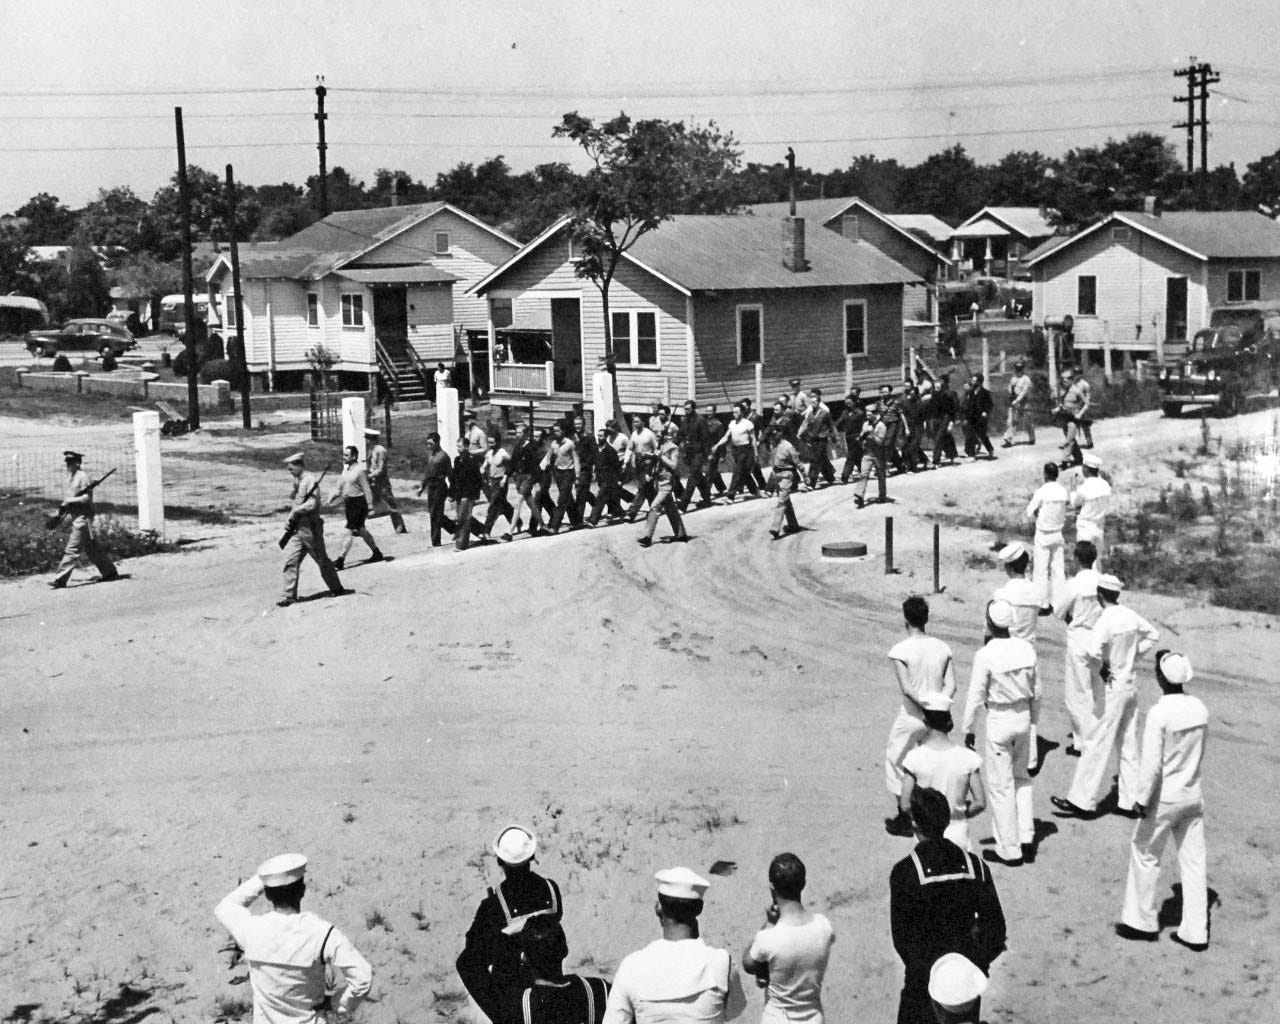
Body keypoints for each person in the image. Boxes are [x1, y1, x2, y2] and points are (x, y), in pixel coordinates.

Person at [889, 788, 1006, 1024]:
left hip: (921, 985)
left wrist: (932, 974)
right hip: (962, 990)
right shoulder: (976, 867)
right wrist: (972, 966)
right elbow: (996, 931)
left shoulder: (905, 872)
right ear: (946, 820)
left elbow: (903, 941)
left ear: (914, 823)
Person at [1117, 651, 1210, 950]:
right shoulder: (1199, 709)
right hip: (1192, 793)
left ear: (1160, 678)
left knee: (1144, 853)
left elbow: (1151, 764)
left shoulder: (1160, 713)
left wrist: (1141, 799)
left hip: (1165, 797)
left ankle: (1140, 921)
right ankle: (1196, 932)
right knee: (1194, 862)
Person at [214, 853, 372, 1024]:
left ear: (267, 894)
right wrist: (336, 1003)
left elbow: (225, 907)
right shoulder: (321, 932)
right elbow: (362, 977)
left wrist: (265, 877)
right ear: (302, 891)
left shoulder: (252, 930)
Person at [1053, 575, 1159, 819]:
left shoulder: (1106, 621)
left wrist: (1102, 665)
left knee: (1095, 741)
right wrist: (1133, 656)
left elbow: (1091, 653)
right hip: (1130, 684)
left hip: (1112, 687)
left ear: (1100, 595)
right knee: (1128, 743)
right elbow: (1153, 635)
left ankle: (1082, 800)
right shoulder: (1130, 615)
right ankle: (1129, 800)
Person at [602, 867, 745, 1024]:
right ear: (699, 908)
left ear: (659, 908)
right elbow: (734, 1010)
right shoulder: (722, 963)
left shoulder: (632, 966)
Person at [458, 825, 565, 1023]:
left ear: (500, 861)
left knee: (466, 963)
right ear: (531, 857)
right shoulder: (552, 890)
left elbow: (472, 953)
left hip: (514, 996)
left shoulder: (492, 906)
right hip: (550, 984)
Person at [962, 599, 1040, 867]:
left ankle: (1009, 848)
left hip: (999, 719)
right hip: (1023, 716)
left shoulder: (986, 654)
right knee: (1022, 778)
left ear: (990, 622)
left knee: (1000, 786)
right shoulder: (1027, 649)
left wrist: (968, 728)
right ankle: (1026, 834)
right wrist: (1033, 722)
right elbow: (1037, 692)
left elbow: (975, 695)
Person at [884, 596, 957, 837]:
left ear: (906, 620)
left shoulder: (900, 650)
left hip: (912, 716)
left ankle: (905, 816)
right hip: (938, 718)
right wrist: (938, 707)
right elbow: (951, 686)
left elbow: (907, 688)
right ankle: (935, 816)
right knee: (932, 763)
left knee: (896, 762)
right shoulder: (942, 648)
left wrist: (925, 707)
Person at [740, 854, 835, 1024]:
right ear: (803, 884)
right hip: (813, 1018)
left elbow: (748, 963)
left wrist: (768, 924)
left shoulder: (768, 938)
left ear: (772, 888)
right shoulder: (824, 926)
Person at [465, 916, 611, 1024]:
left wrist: (510, 932)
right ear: (565, 950)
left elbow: (467, 963)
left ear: (524, 958)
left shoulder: (513, 1007)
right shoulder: (600, 991)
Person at [899, 693, 986, 852]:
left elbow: (905, 804)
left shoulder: (914, 758)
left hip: (926, 836)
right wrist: (960, 813)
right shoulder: (968, 758)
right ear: (949, 721)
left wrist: (921, 820)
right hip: (958, 834)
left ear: (925, 721)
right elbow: (980, 803)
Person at [1053, 540, 1104, 756]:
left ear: (1076, 559)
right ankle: (1096, 736)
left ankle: (1082, 742)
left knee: (1077, 693)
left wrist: (1070, 618)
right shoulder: (1102, 581)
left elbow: (1058, 610)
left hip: (1079, 638)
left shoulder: (1074, 584)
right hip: (1100, 637)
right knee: (1096, 689)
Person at [278, 453, 345, 607]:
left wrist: (296, 512)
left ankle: (336, 588)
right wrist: (291, 517)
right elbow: (296, 502)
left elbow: (312, 504)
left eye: (292, 468)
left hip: (311, 527)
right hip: (298, 528)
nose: (290, 471)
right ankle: (289, 596)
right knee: (291, 561)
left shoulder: (310, 480)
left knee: (321, 559)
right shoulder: (298, 481)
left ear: (299, 465)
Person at [48, 450, 118, 589]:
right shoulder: (73, 477)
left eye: (71, 462)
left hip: (83, 518)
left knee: (72, 549)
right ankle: (110, 572)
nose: (69, 464)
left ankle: (60, 579)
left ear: (78, 463)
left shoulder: (83, 477)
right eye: (67, 462)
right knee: (92, 549)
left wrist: (68, 501)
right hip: (75, 516)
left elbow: (86, 498)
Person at [329, 445, 385, 571]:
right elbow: (340, 485)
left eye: (346, 455)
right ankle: (377, 553)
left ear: (354, 456)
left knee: (350, 529)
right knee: (361, 530)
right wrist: (332, 497)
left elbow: (366, 489)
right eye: (343, 455)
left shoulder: (359, 471)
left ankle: (340, 560)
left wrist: (370, 507)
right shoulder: (346, 470)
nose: (344, 457)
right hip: (349, 503)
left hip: (359, 504)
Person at [1025, 462, 1068, 612]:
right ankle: (1059, 603)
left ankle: (1042, 603)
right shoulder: (1063, 491)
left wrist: (1037, 513)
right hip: (1058, 532)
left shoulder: (1042, 491)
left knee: (1041, 570)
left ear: (1045, 474)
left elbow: (1029, 510)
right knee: (1058, 569)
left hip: (1043, 534)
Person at [638, 426, 689, 548]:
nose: (657, 437)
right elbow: (654, 462)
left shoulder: (673, 448)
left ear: (666, 435)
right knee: (670, 508)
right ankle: (681, 534)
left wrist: (661, 456)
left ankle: (647, 537)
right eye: (655, 434)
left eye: (659, 435)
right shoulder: (657, 447)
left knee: (655, 506)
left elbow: (674, 466)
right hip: (658, 482)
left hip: (667, 482)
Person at [713, 404, 760, 502]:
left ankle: (730, 496)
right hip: (736, 450)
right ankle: (754, 490)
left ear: (742, 413)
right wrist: (717, 445)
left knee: (737, 471)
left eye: (737, 412)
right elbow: (726, 436)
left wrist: (755, 452)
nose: (734, 414)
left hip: (746, 450)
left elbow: (753, 438)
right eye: (733, 412)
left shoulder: (748, 423)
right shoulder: (732, 424)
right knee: (744, 472)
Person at [364, 427, 406, 533]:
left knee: (390, 504)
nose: (366, 441)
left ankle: (400, 527)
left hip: (382, 483)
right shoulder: (372, 449)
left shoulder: (380, 450)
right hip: (373, 482)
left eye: (368, 438)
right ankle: (358, 527)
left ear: (372, 439)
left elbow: (381, 469)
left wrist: (370, 475)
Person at [1071, 453, 1112, 564]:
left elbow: (1074, 503)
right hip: (1099, 527)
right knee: (1097, 562)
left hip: (1086, 528)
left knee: (1084, 563)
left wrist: (1073, 489)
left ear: (1086, 470)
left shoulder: (1084, 487)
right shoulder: (1105, 485)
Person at [508, 423, 546, 540]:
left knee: (518, 502)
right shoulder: (517, 446)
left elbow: (535, 466)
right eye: (516, 433)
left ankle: (510, 531)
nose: (517, 435)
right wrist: (507, 476)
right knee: (531, 503)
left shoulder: (531, 447)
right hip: (519, 478)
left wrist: (537, 481)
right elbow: (513, 462)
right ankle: (543, 525)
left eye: (520, 433)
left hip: (528, 478)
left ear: (525, 434)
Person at [416, 433, 455, 547]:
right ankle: (454, 528)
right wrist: (422, 487)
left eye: (431, 444)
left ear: (437, 442)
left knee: (435, 514)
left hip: (440, 486)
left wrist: (452, 492)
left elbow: (450, 475)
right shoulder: (431, 456)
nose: (428, 446)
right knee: (434, 514)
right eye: (427, 444)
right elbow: (427, 474)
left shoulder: (444, 456)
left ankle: (436, 542)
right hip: (431, 487)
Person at [767, 423, 804, 540]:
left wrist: (805, 477)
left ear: (780, 434)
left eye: (774, 434)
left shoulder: (788, 447)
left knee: (781, 502)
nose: (772, 437)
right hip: (776, 475)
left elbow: (797, 462)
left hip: (787, 476)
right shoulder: (773, 445)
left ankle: (775, 528)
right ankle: (794, 525)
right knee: (786, 502)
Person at [545, 422, 583, 533]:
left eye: (557, 431)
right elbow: (549, 456)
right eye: (554, 431)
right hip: (558, 473)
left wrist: (577, 475)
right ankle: (577, 521)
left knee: (562, 499)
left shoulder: (570, 444)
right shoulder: (554, 444)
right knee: (568, 498)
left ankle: (554, 526)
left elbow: (576, 459)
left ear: (563, 431)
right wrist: (547, 465)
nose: (555, 433)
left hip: (568, 473)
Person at [677, 401, 715, 512]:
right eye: (685, 409)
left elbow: (706, 439)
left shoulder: (700, 421)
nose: (686, 411)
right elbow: (680, 435)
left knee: (693, 476)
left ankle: (683, 504)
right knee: (698, 477)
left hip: (699, 454)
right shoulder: (685, 421)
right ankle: (707, 500)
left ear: (693, 409)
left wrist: (709, 454)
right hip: (689, 454)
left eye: (688, 409)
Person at [451, 437, 487, 551]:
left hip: (468, 493)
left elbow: (476, 479)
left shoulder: (472, 460)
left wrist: (473, 495)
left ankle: (461, 544)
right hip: (459, 493)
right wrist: (452, 493)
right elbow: (455, 478)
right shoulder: (457, 460)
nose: (458, 449)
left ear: (466, 446)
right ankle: (482, 530)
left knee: (463, 518)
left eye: (460, 446)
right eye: (457, 446)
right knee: (462, 517)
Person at [589, 424, 627, 526]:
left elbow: (616, 467)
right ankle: (621, 512)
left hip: (609, 477)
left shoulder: (611, 451)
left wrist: (618, 479)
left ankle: (593, 520)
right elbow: (594, 461)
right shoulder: (596, 449)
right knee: (610, 497)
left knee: (600, 497)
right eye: (598, 435)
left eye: (601, 436)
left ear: (606, 437)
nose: (599, 438)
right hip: (600, 477)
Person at [799, 389, 836, 488]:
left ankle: (811, 483)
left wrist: (834, 438)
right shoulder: (810, 414)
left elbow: (831, 426)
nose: (813, 404)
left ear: (819, 402)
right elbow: (806, 425)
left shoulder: (825, 413)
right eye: (811, 402)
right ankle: (830, 477)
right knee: (821, 458)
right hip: (813, 440)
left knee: (815, 460)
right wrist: (802, 435)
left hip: (822, 439)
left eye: (814, 402)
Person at [482, 432, 516, 539]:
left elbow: (511, 466)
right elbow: (485, 465)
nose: (490, 444)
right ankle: (517, 521)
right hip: (492, 481)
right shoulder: (489, 453)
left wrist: (506, 477)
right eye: (489, 442)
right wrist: (482, 470)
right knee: (502, 504)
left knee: (493, 505)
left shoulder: (503, 453)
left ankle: (486, 531)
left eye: (493, 442)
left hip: (501, 482)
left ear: (498, 442)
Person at [853, 409, 887, 508]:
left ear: (875, 414)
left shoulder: (881, 426)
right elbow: (862, 436)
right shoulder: (865, 424)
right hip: (867, 453)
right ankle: (860, 496)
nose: (867, 417)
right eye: (866, 415)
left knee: (881, 475)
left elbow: (880, 442)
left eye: (869, 415)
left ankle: (882, 495)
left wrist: (872, 434)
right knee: (863, 474)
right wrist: (861, 438)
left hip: (879, 454)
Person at [960, 374, 995, 460]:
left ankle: (990, 449)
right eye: (972, 380)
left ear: (979, 382)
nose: (972, 382)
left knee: (982, 435)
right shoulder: (970, 392)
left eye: (974, 380)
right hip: (971, 417)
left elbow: (990, 404)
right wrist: (965, 416)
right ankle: (972, 455)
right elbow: (968, 404)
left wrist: (985, 412)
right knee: (970, 435)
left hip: (981, 417)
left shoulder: (985, 392)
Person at [835, 389, 865, 484]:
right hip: (848, 437)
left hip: (857, 436)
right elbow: (838, 423)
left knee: (850, 457)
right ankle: (864, 472)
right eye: (846, 403)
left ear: (854, 403)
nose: (848, 405)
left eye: (849, 403)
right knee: (858, 456)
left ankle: (845, 477)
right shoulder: (845, 413)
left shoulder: (860, 413)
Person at [1002, 360, 1035, 447]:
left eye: (1020, 369)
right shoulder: (1013, 378)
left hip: (1024, 402)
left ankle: (1032, 437)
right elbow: (1009, 387)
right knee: (1012, 421)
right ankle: (1008, 438)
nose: (1018, 371)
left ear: (1022, 369)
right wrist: (1011, 395)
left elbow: (1024, 392)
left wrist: (1017, 400)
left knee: (1028, 421)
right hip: (1013, 401)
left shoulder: (1026, 379)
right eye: (1017, 369)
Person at [929, 375, 959, 468]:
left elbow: (955, 408)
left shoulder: (951, 393)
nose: (939, 383)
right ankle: (952, 455)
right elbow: (932, 406)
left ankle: (936, 461)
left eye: (942, 381)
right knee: (945, 437)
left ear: (946, 382)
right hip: (935, 418)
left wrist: (952, 421)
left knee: (938, 439)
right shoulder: (935, 393)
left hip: (946, 418)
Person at [572, 414, 598, 518]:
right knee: (584, 492)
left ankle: (578, 519)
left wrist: (591, 468)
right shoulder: (572, 437)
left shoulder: (589, 436)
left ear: (583, 424)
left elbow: (594, 453)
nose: (577, 426)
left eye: (579, 424)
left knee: (581, 493)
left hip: (584, 468)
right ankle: (597, 506)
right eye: (575, 424)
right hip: (573, 468)